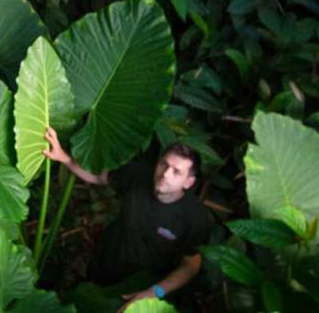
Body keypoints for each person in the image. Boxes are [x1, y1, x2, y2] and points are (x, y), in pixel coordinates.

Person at [42, 127, 211, 312]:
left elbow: (190, 266)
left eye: (176, 172)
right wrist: (64, 158)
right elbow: (99, 177)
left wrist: (153, 292)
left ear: (188, 182)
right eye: (164, 164)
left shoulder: (195, 218)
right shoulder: (138, 176)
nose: (165, 174)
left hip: (142, 282)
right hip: (106, 259)